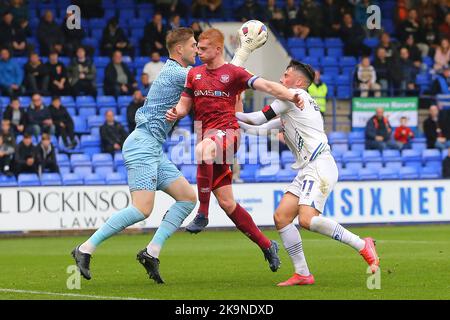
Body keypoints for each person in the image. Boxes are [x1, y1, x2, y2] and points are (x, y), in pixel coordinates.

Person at [71, 28, 200, 283]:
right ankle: (84, 249)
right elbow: (206, 82)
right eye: (194, 45)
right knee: (142, 209)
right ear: (179, 49)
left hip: (153, 147)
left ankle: (151, 252)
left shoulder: (178, 72)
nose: (197, 49)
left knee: (187, 198)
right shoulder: (177, 72)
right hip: (143, 145)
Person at [236, 60, 379, 286]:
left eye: (285, 75)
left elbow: (256, 118)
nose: (282, 80)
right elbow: (256, 129)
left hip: (319, 165)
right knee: (282, 217)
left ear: (299, 82)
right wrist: (233, 117)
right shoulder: (294, 106)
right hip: (309, 169)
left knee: (306, 219)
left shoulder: (292, 96)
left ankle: (363, 245)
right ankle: (302, 273)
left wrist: (228, 112)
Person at [166, 28, 300, 268]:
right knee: (228, 203)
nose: (198, 51)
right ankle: (267, 246)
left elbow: (267, 86)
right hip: (206, 134)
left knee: (203, 150)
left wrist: (291, 95)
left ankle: (203, 213)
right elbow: (184, 106)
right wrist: (175, 112)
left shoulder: (235, 73)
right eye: (197, 47)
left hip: (228, 132)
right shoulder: (193, 74)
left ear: (218, 49)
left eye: (203, 48)